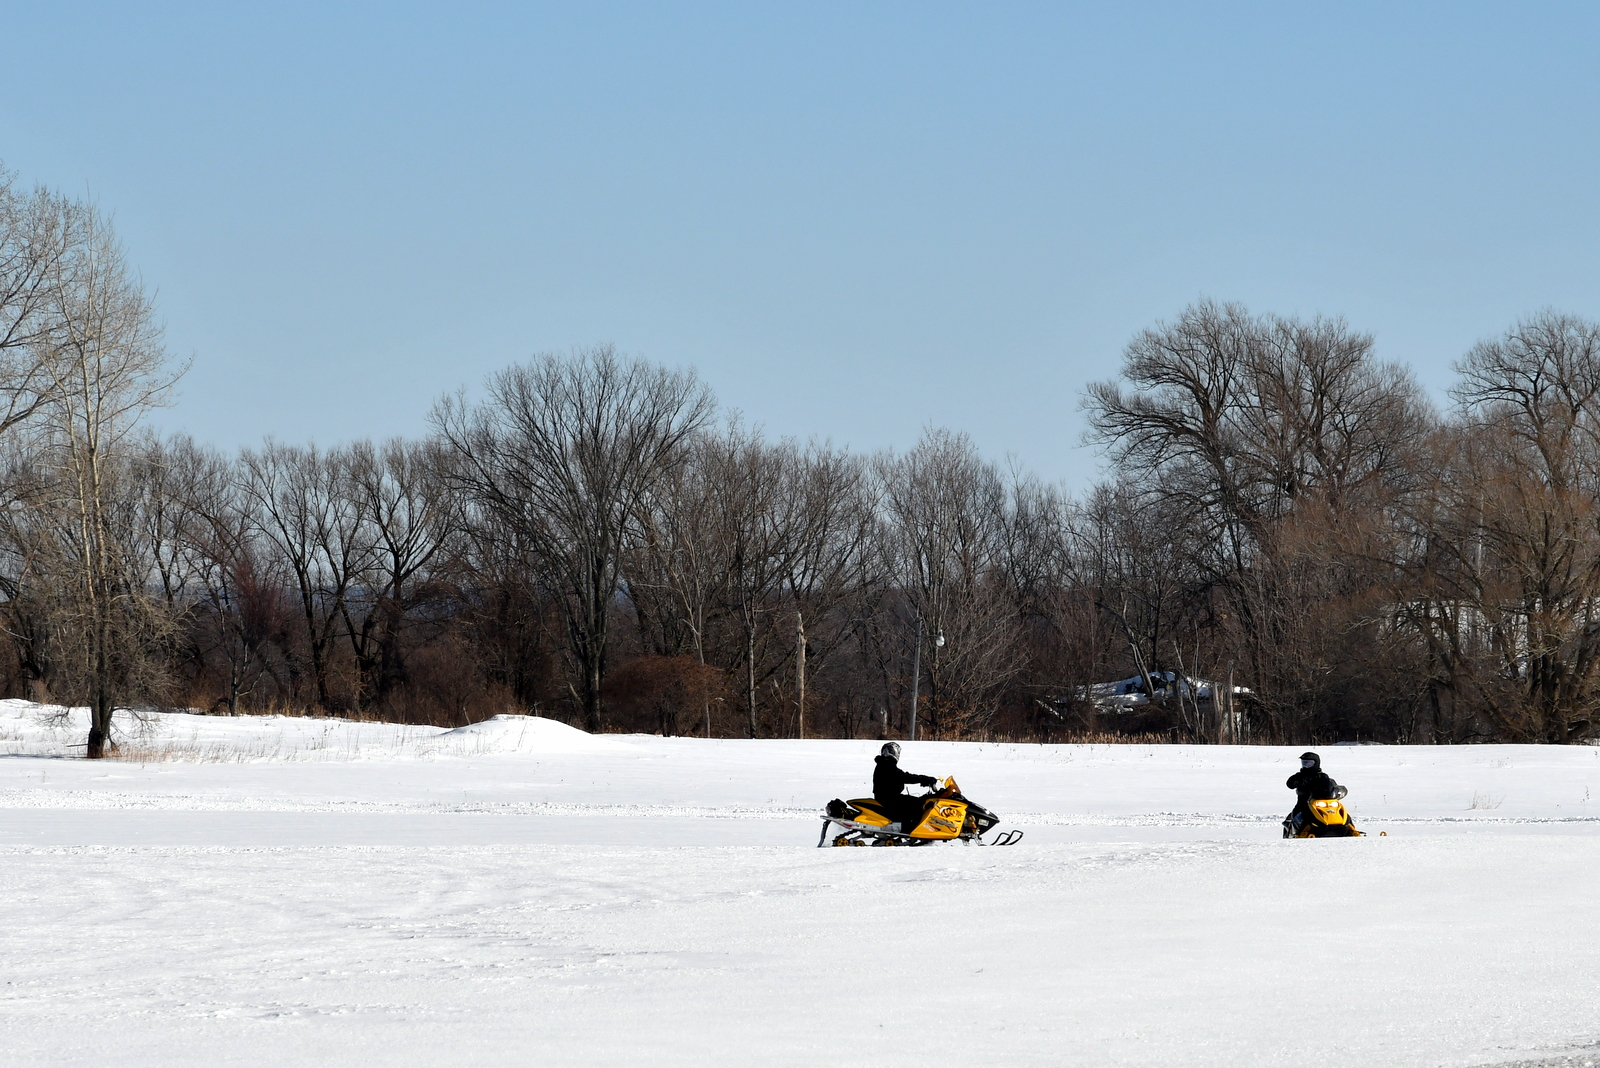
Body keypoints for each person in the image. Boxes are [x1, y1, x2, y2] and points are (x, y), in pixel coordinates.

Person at [874, 742, 938, 833]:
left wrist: (924, 780)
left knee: (916, 801)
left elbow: (901, 776)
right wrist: (924, 779)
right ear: (892, 752)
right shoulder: (886, 765)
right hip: (888, 798)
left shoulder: (884, 764)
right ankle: (909, 828)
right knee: (918, 804)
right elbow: (904, 777)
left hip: (888, 797)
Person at [1284, 751, 1343, 835]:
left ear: (1316, 763)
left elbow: (1330, 785)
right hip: (1305, 803)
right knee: (1299, 813)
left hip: (1322, 802)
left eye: (1309, 763)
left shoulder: (1323, 776)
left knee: (1340, 810)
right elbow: (1290, 783)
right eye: (1304, 763)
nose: (1306, 765)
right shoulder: (1300, 775)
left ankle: (1350, 828)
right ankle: (1296, 832)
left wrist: (1335, 790)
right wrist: (1298, 782)